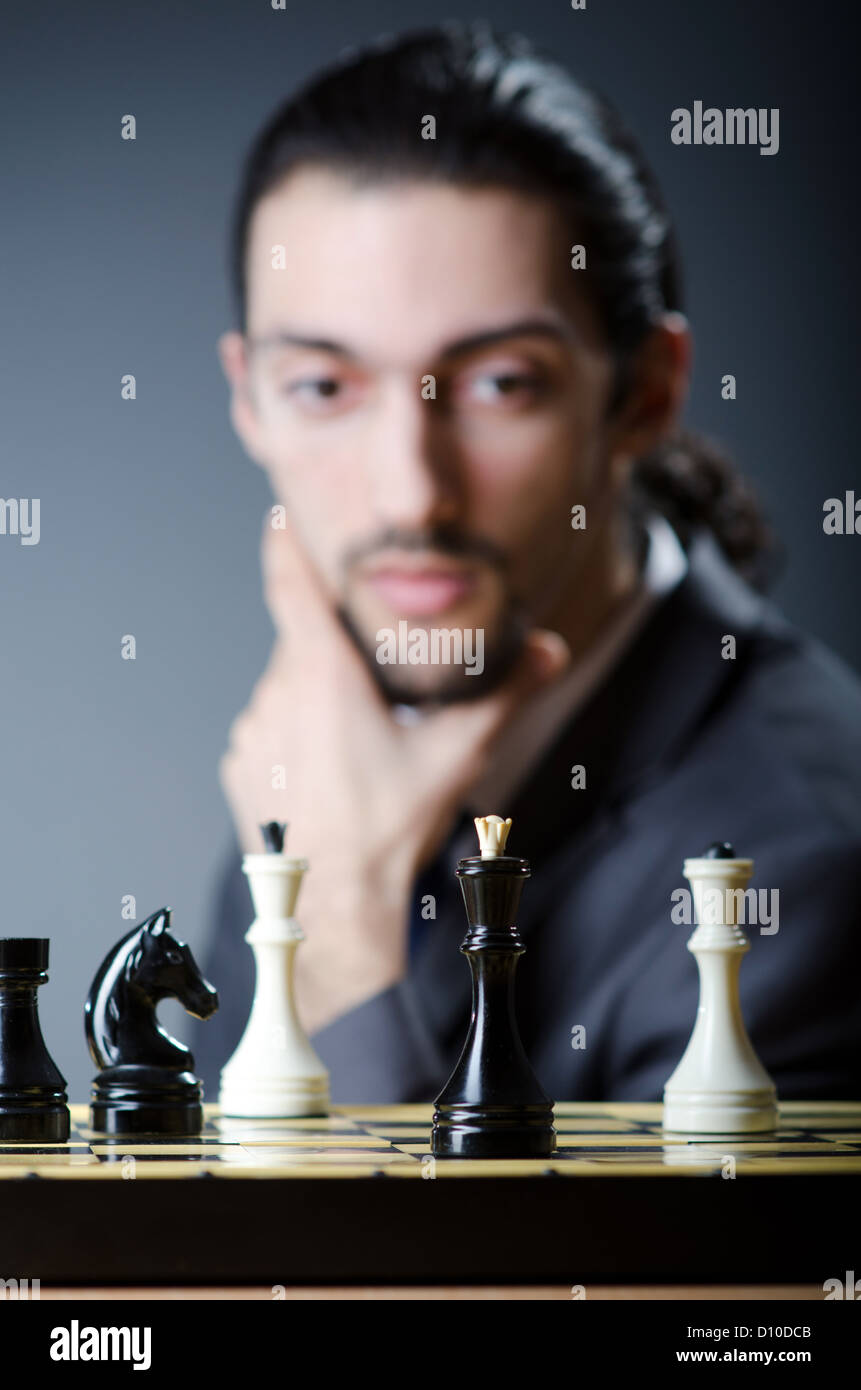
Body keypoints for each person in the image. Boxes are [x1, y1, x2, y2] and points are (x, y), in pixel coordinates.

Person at [191, 23, 861, 1103]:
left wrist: (347, 953)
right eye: (325, 386)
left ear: (644, 392)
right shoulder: (318, 753)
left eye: (502, 383)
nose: (411, 491)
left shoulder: (810, 871)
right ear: (248, 398)